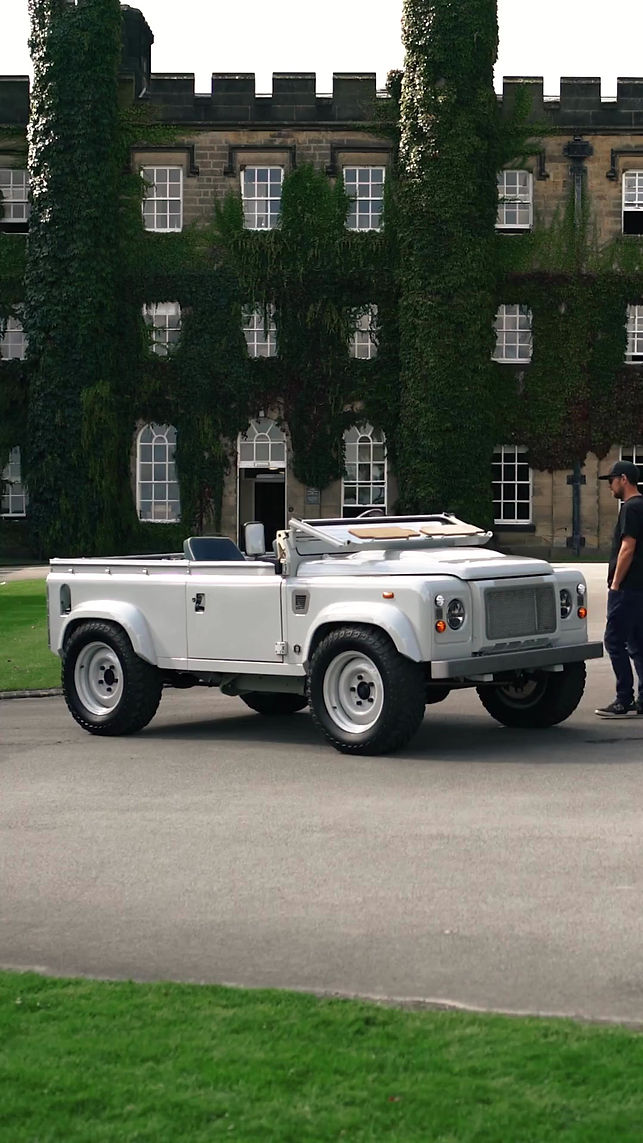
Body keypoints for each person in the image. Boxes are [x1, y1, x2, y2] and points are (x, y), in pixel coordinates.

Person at [595, 459, 643, 717]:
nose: (610, 486)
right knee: (638, 644)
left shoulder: (631, 508)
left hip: (627, 589)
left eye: (611, 480)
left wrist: (615, 584)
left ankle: (624, 699)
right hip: (641, 588)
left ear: (624, 479)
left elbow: (628, 547)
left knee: (614, 641)